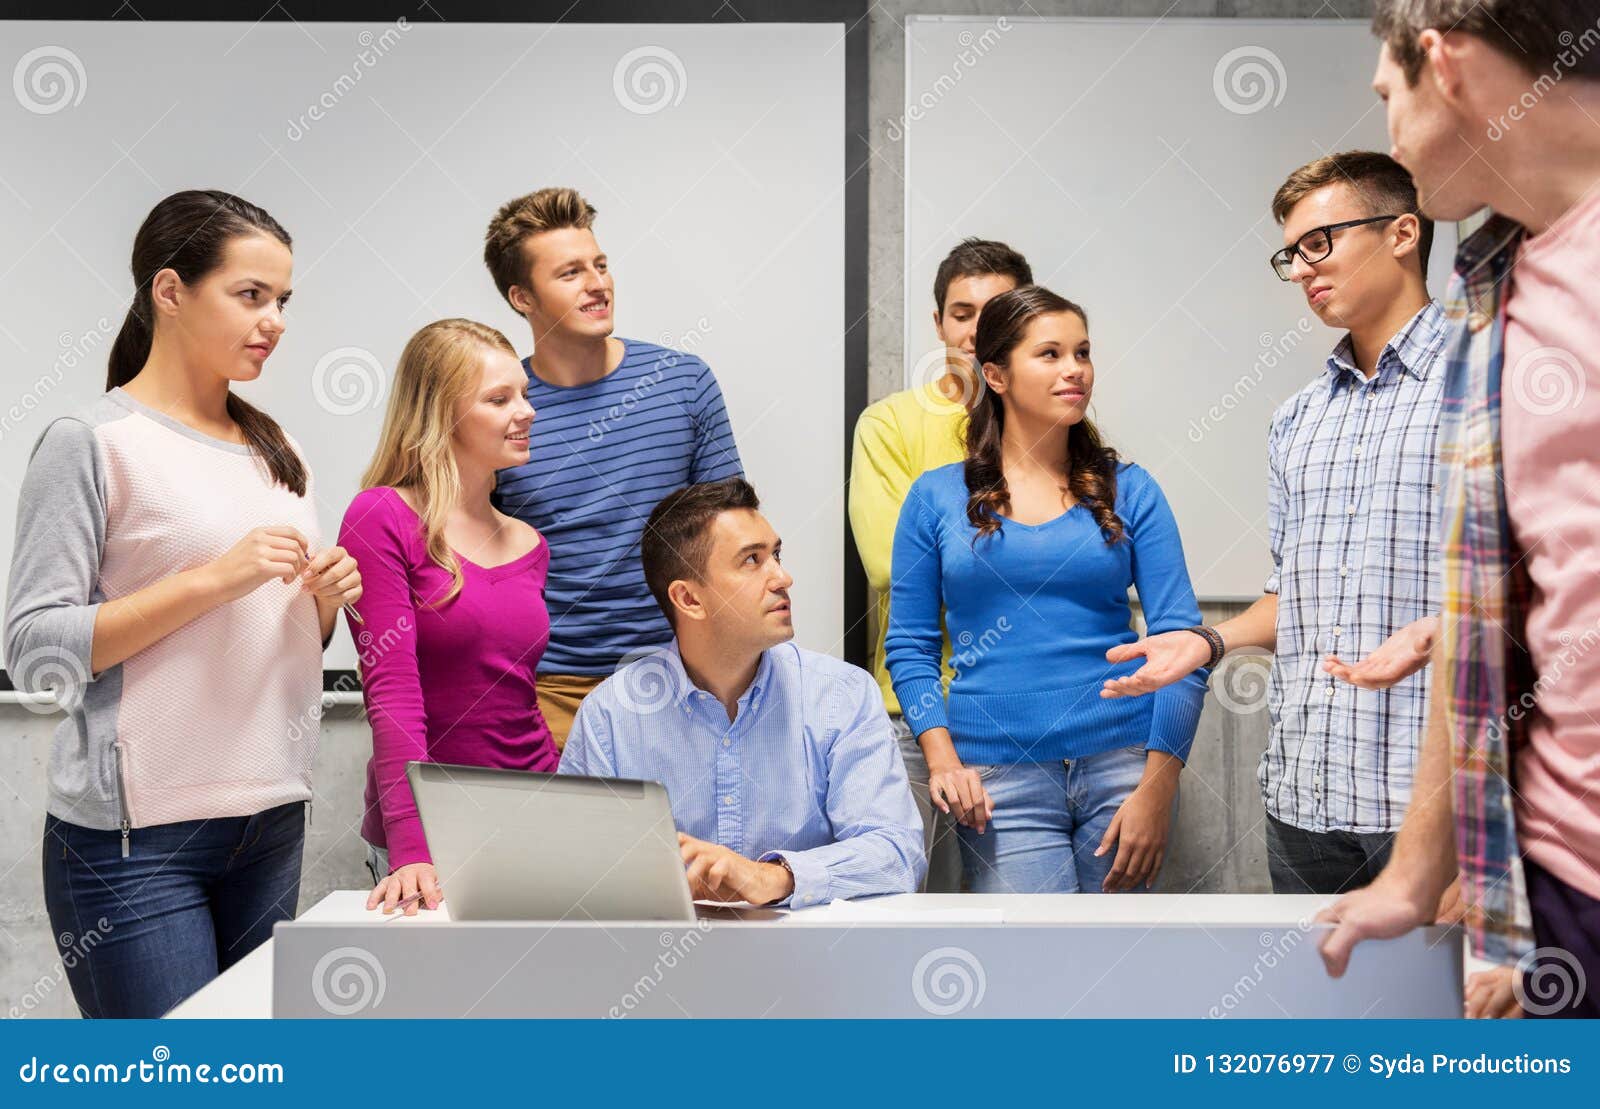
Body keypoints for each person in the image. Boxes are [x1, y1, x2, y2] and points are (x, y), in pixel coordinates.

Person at [4, 190, 361, 1017]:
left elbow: (269, 640)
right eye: (250, 295)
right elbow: (34, 647)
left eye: (283, 301)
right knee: (175, 1085)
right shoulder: (89, 442)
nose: (274, 320)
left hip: (270, 818)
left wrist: (323, 606)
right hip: (134, 844)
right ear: (170, 291)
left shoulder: (281, 449)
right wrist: (209, 580)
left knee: (250, 1081)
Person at [1316, 0, 1600, 1019]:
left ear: (1443, 64)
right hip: (1560, 886)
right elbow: (1484, 604)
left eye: (1387, 94)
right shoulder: (1491, 286)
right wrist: (1414, 869)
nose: (1388, 129)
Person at [1099, 152, 1448, 895]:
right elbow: (1292, 595)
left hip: (1439, 807)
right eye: (1290, 254)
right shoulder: (1298, 420)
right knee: (1312, 1016)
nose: (1300, 269)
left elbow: (1549, 594)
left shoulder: (1491, 382)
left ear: (1403, 233)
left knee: (1455, 1015)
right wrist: (1208, 640)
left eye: (1320, 242)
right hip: (1304, 806)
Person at [885, 285, 1207, 895]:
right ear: (997, 376)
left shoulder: (1131, 490)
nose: (1075, 371)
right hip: (997, 776)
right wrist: (943, 760)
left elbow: (1181, 646)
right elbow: (910, 644)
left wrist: (1157, 788)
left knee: (1115, 973)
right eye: (1051, 354)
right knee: (1030, 976)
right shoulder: (934, 498)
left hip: (1123, 766)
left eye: (1082, 353)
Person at [558, 478, 924, 907]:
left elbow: (897, 854)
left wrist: (777, 877)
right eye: (752, 560)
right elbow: (575, 870)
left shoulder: (842, 696)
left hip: (810, 964)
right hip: (660, 966)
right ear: (689, 599)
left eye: (776, 555)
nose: (783, 577)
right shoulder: (611, 714)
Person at [483, 187, 743, 748]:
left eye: (600, 265)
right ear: (521, 296)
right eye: (570, 273)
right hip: (549, 688)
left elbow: (731, 533)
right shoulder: (500, 408)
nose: (597, 283)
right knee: (564, 838)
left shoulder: (683, 383)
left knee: (686, 840)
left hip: (680, 678)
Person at [339, 319, 561, 917]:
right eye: (499, 399)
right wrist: (411, 847)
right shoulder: (380, 516)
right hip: (437, 829)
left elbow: (515, 699)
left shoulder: (528, 543)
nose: (527, 412)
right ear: (442, 415)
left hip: (537, 809)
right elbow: (391, 692)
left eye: (524, 393)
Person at [850, 237, 1032, 893]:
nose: (978, 327)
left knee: (1010, 921)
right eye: (962, 312)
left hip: (1024, 716)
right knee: (902, 913)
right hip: (912, 711)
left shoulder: (1052, 426)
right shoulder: (890, 424)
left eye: (998, 308)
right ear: (939, 325)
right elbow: (887, 567)